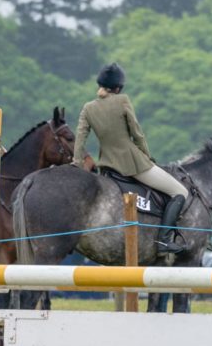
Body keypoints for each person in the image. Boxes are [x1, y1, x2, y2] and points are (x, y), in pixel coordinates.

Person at [73, 63, 189, 253]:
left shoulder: (88, 108)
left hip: (107, 167)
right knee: (179, 192)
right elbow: (137, 134)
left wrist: (77, 164)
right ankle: (164, 241)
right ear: (118, 88)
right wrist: (147, 156)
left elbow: (80, 139)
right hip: (133, 164)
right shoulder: (123, 100)